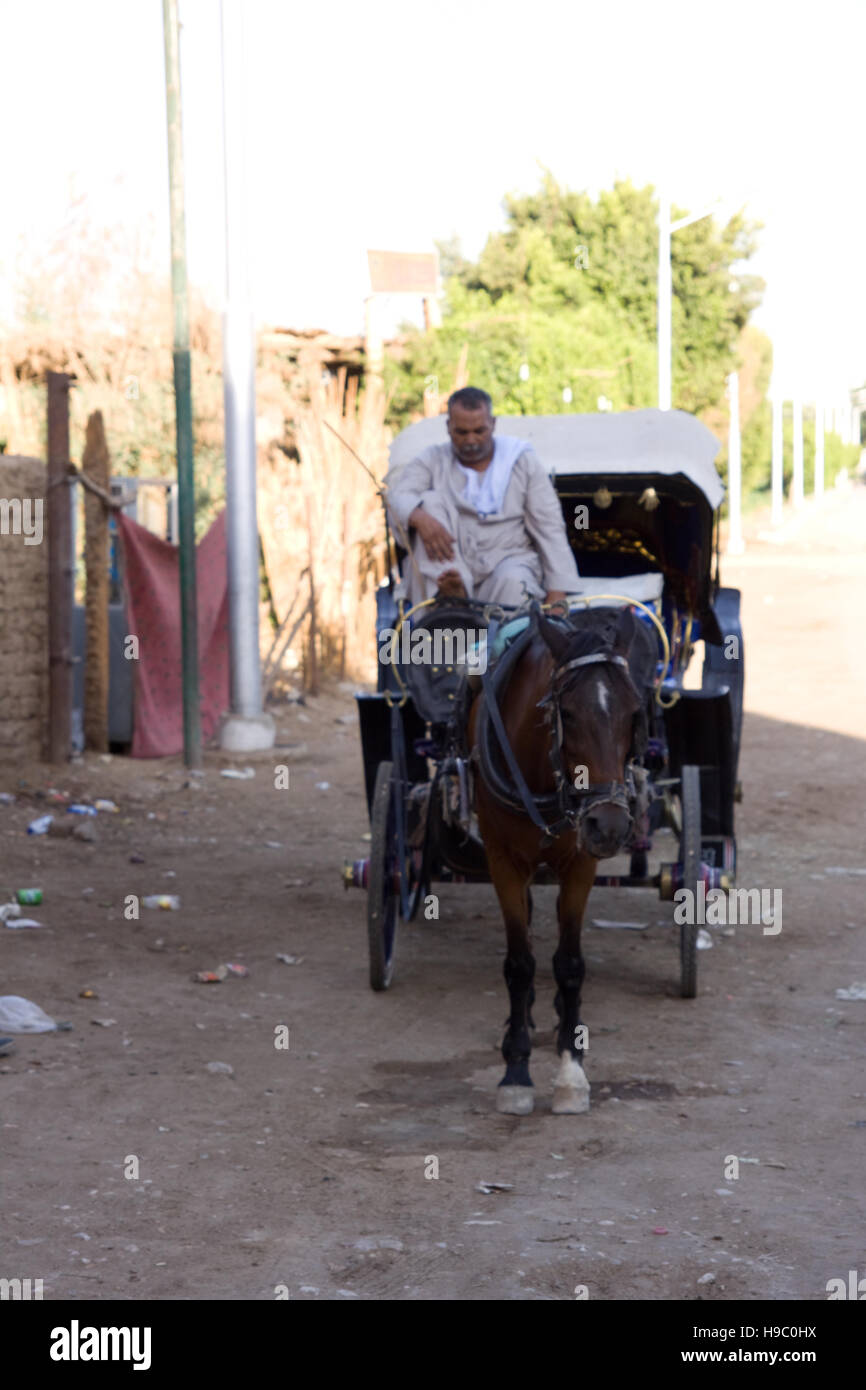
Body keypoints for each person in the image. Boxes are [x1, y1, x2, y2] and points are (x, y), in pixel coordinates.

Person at [385, 386, 580, 609]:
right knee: (426, 503)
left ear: (493, 424)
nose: (471, 440)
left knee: (515, 583)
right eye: (462, 432)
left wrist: (557, 591)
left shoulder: (521, 461)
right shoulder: (431, 460)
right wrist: (419, 517)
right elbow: (397, 497)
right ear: (448, 427)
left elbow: (549, 525)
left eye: (479, 431)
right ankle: (449, 598)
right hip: (449, 565)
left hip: (507, 560)